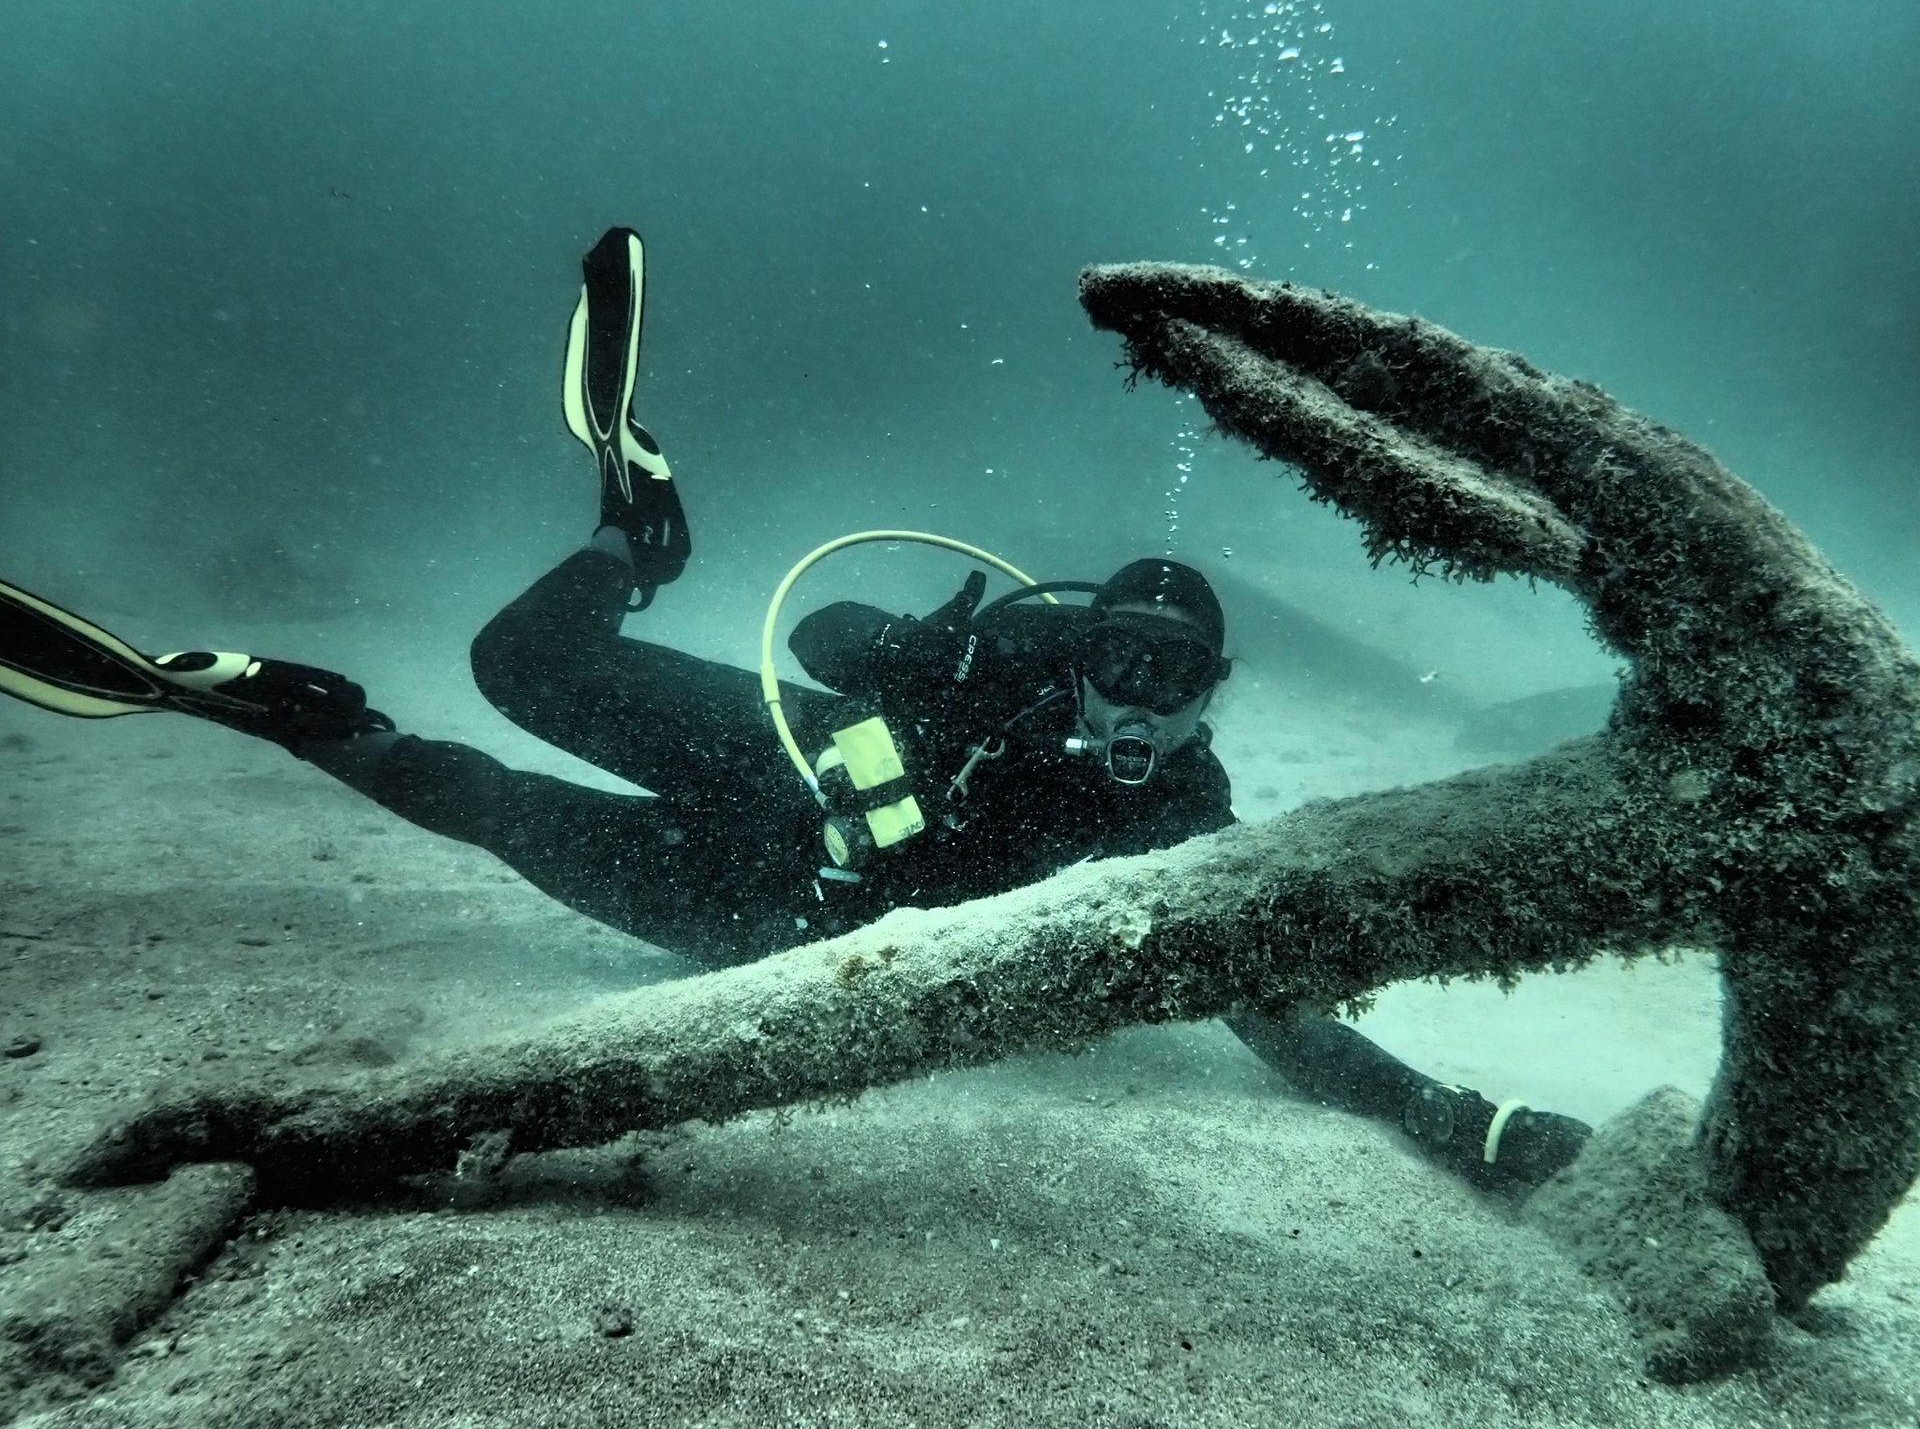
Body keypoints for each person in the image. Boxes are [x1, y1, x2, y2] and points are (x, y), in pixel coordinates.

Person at [0, 227, 1590, 1194]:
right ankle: (638, 532)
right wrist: (905, 658)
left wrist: (1457, 1117)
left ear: (1209, 701)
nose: (1134, 700)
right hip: (781, 753)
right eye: (1122, 656)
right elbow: (824, 622)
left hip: (767, 918)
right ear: (1085, 638)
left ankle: (287, 715)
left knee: (488, 804)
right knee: (516, 665)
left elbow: (1274, 998)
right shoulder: (1021, 659)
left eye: (1175, 681)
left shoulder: (1186, 819)